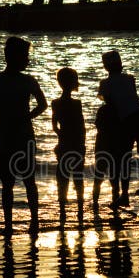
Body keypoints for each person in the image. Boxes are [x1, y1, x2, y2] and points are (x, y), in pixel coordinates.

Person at [0, 36, 47, 236]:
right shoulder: (28, 81)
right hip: (24, 136)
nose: (27, 60)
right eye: (25, 56)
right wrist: (26, 118)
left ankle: (9, 225)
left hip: (8, 137)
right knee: (29, 181)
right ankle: (34, 222)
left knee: (8, 183)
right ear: (14, 57)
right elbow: (43, 105)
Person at [97, 50, 139, 213]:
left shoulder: (105, 83)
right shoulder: (130, 78)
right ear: (120, 64)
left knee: (124, 156)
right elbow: (131, 96)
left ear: (106, 67)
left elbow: (108, 102)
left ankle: (125, 194)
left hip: (127, 119)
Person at [51, 67, 85, 223]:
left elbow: (55, 126)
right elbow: (81, 126)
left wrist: (61, 136)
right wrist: (82, 145)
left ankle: (63, 211)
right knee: (77, 176)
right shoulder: (76, 104)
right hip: (76, 143)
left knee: (62, 177)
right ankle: (79, 210)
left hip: (64, 143)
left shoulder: (55, 103)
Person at [92, 95, 125, 212]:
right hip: (115, 146)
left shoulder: (102, 110)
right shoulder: (119, 110)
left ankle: (95, 202)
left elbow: (98, 125)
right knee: (114, 177)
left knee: (98, 176)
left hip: (102, 145)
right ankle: (115, 203)